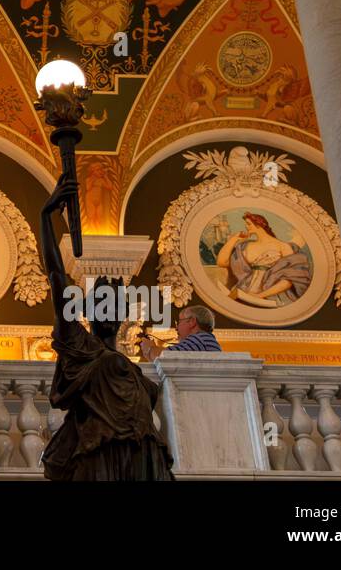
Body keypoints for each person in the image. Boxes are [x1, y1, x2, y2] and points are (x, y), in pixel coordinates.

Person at [37, 174, 174, 481]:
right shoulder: (82, 346)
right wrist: (47, 216)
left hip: (145, 457)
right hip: (101, 455)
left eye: (115, 302)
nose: (109, 309)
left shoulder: (133, 371)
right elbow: (57, 276)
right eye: (101, 302)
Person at [139, 305, 221, 360]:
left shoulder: (199, 339)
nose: (176, 328)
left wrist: (150, 348)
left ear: (192, 322)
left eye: (179, 322)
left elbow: (166, 358)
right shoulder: (205, 339)